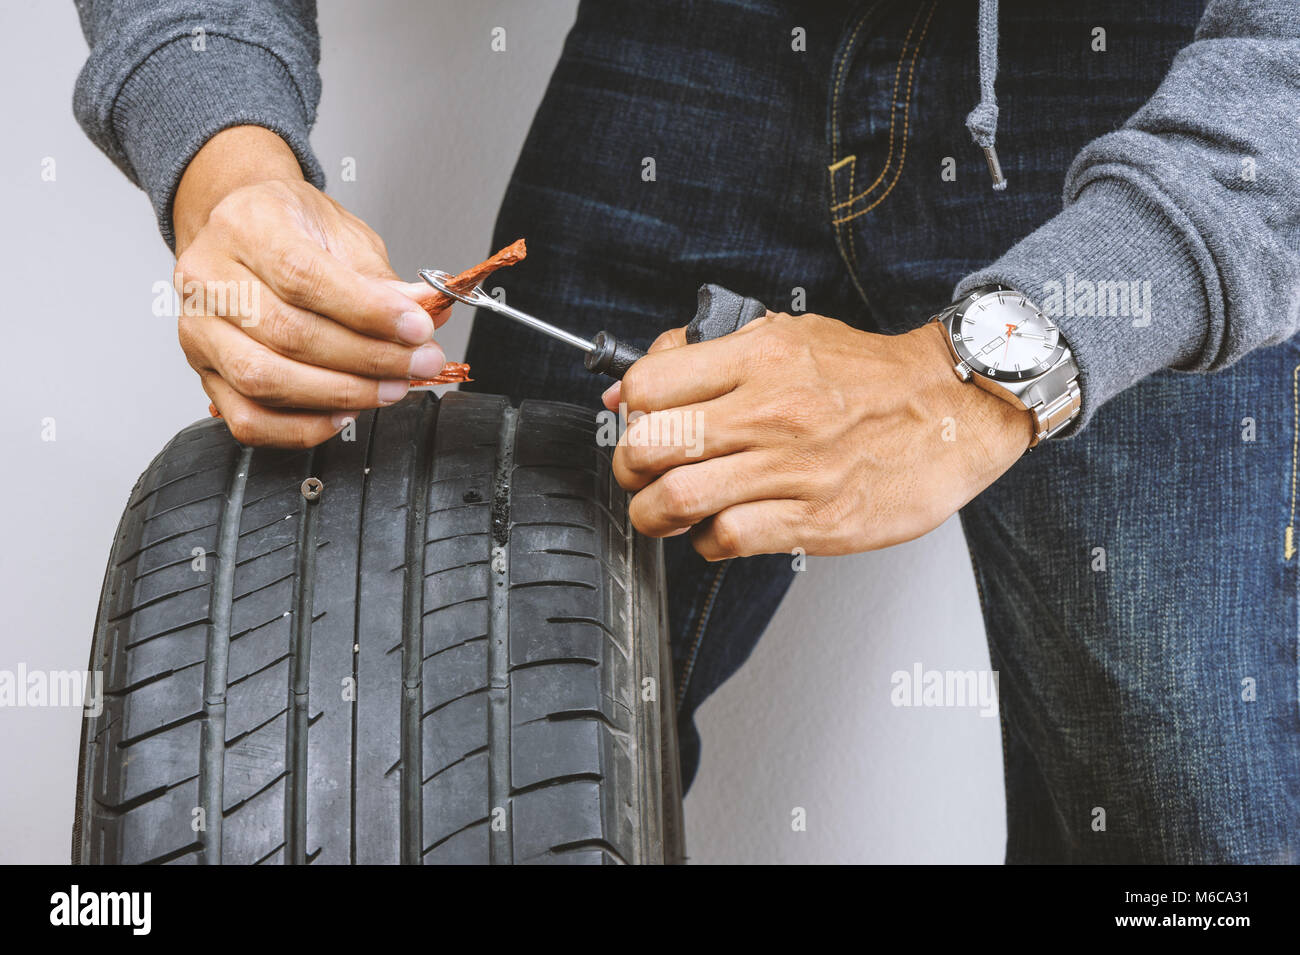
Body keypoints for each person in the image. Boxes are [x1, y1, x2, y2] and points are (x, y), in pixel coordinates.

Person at [74, 0, 1299, 863]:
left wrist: (979, 374)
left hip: (1167, 76)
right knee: (442, 749)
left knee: (1191, 843)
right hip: (702, 36)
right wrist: (226, 158)